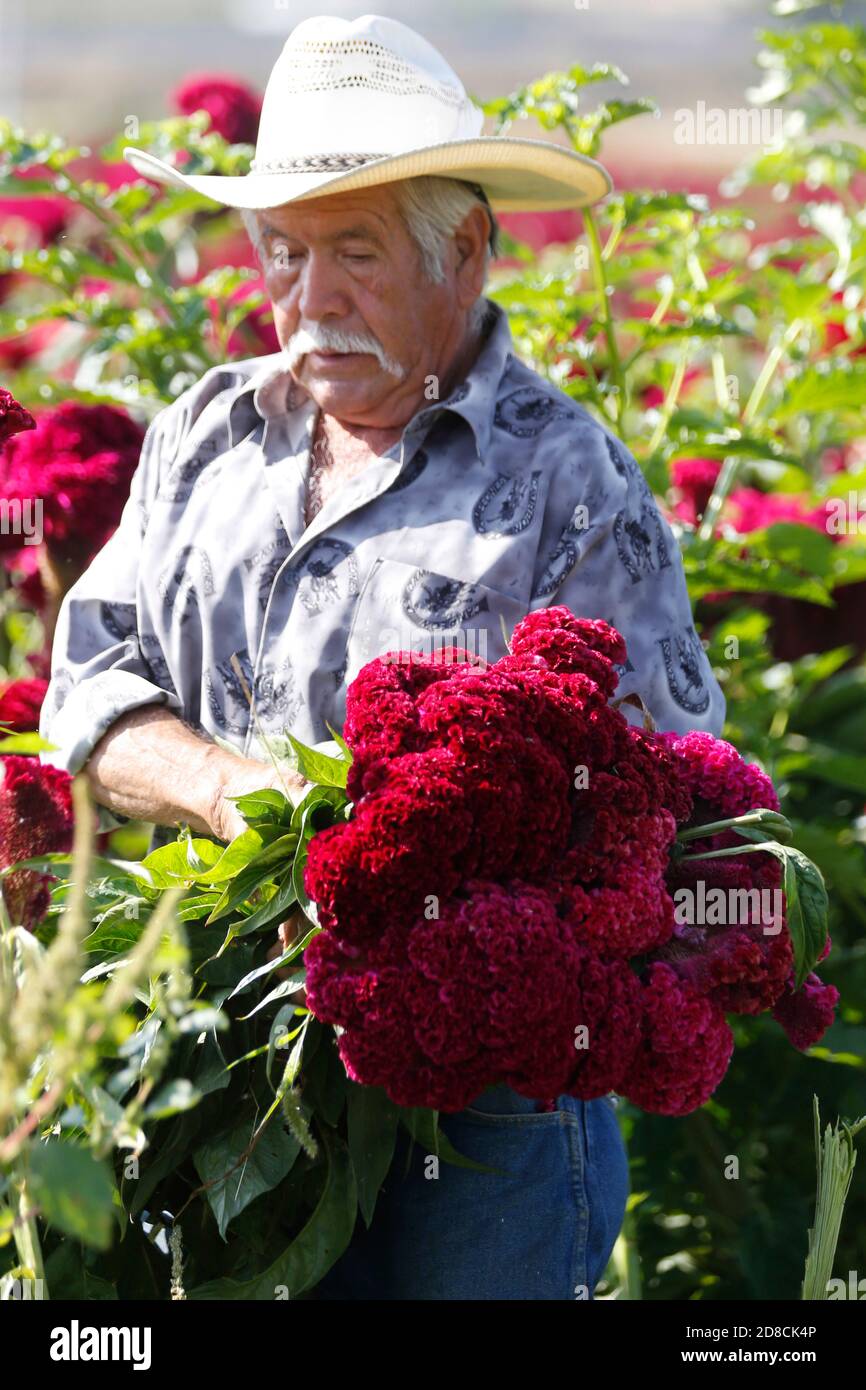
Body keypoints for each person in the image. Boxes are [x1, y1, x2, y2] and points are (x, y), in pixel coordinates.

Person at [40, 13, 725, 1300]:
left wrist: (467, 886)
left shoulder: (563, 473)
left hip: (484, 1109)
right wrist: (225, 790)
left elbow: (666, 792)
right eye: (286, 254)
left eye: (354, 252)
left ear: (463, 251)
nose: (311, 298)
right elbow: (90, 684)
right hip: (226, 1054)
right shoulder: (204, 435)